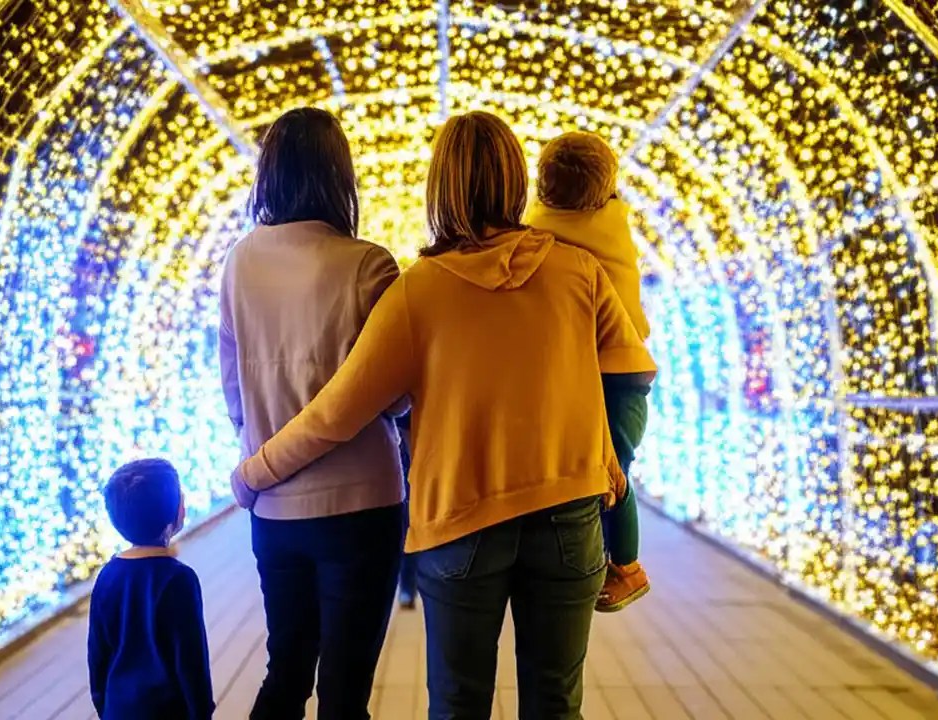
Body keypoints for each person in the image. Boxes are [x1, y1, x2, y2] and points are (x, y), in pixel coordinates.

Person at [231, 111, 656, 717]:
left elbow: (337, 412)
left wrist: (256, 471)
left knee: (457, 704)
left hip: (461, 522)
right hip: (568, 518)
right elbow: (633, 372)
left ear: (438, 187)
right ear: (518, 182)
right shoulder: (580, 273)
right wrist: (608, 457)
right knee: (557, 702)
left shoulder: (418, 293)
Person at [218, 107, 405, 719]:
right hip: (364, 507)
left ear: (269, 173)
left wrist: (262, 448)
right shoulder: (369, 265)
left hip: (272, 507)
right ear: (338, 175)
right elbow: (398, 394)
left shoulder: (240, 262)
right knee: (346, 691)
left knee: (286, 669)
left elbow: (232, 385)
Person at [525, 131, 653, 612]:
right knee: (610, 463)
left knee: (614, 470)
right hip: (625, 371)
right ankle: (608, 558)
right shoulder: (615, 219)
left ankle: (628, 565)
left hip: (615, 371)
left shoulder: (541, 229)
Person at [88, 459, 214, 720]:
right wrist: (201, 712)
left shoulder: (107, 576)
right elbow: (191, 661)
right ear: (175, 515)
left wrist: (106, 707)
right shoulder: (179, 579)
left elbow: (98, 656)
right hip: (168, 712)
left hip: (119, 709)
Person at [394, 413, 417, 609]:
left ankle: (408, 587)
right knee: (408, 523)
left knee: (409, 522)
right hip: (407, 446)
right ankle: (407, 587)